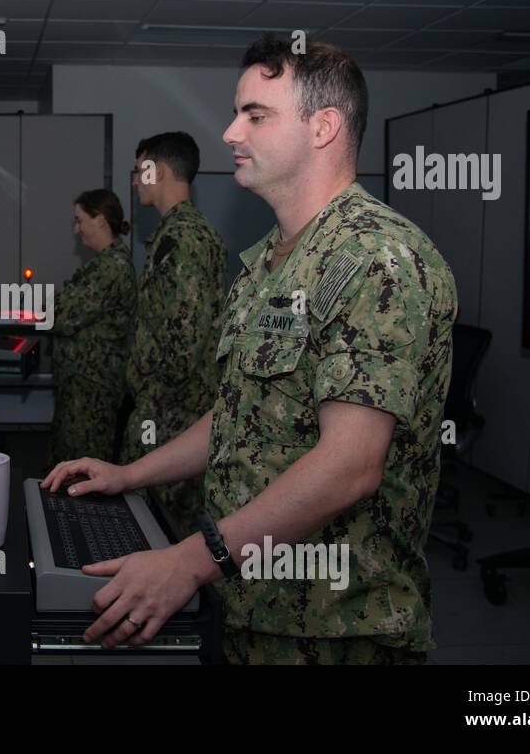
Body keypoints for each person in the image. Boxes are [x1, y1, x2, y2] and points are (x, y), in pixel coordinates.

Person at [42, 34, 457, 665]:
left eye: (255, 115)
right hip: (248, 603)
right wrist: (130, 474)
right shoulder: (268, 261)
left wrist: (189, 560)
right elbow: (238, 419)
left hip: (333, 628)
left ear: (323, 127)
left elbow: (351, 463)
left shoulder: (377, 258)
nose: (231, 132)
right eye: (237, 113)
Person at [121, 131, 226, 530]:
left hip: (172, 412)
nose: (135, 180)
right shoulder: (175, 233)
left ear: (158, 170)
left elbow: (185, 339)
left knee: (156, 525)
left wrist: (152, 395)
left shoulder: (186, 238)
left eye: (139, 170)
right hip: (166, 408)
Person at [46, 189, 136, 467]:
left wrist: (51, 305)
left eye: (80, 220)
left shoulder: (111, 267)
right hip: (80, 388)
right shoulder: (101, 265)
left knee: (81, 468)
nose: (77, 229)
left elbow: (60, 315)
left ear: (100, 220)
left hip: (91, 393)